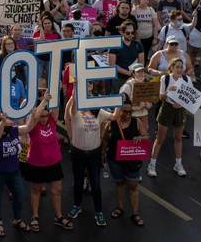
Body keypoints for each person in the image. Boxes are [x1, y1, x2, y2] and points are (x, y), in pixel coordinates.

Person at [18, 93, 72, 231]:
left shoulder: (52, 121)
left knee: (57, 190)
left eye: (46, 116)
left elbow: (56, 109)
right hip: (37, 163)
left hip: (53, 162)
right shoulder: (32, 126)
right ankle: (35, 217)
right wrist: (43, 102)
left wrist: (54, 91)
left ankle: (58, 217)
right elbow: (35, 117)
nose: (44, 119)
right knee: (36, 190)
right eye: (41, 116)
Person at [65, 80, 107, 225]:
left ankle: (99, 211)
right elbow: (69, 113)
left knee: (95, 183)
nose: (88, 86)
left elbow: (111, 118)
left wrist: (121, 102)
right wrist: (77, 87)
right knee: (78, 182)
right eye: (86, 83)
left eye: (90, 83)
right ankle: (76, 206)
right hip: (78, 152)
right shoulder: (76, 106)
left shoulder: (99, 105)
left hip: (94, 153)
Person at [102, 99, 149, 226]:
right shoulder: (111, 123)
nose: (128, 114)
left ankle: (135, 213)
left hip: (131, 161)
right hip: (114, 160)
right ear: (119, 111)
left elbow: (146, 136)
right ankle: (120, 207)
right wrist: (103, 155)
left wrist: (140, 138)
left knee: (133, 186)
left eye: (130, 111)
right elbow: (105, 140)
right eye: (125, 111)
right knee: (119, 184)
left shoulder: (137, 122)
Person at [0, 112, 30, 237]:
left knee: (20, 195)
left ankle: (17, 219)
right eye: (7, 124)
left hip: (14, 171)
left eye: (11, 124)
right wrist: (2, 121)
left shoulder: (14, 131)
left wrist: (33, 115)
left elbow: (28, 127)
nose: (9, 127)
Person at [148, 57, 191, 177]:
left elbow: (191, 98)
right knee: (160, 138)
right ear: (172, 67)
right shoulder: (165, 78)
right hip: (167, 109)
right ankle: (152, 164)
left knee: (178, 138)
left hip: (180, 110)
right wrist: (168, 91)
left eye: (181, 67)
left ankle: (178, 164)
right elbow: (161, 97)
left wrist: (180, 104)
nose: (179, 69)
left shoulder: (187, 79)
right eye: (177, 67)